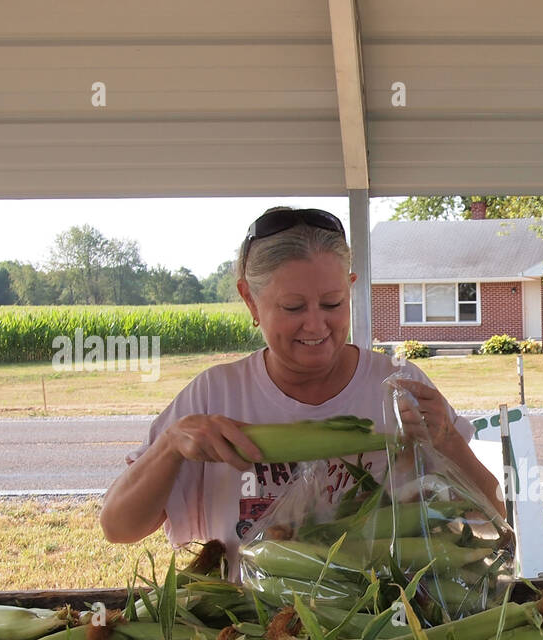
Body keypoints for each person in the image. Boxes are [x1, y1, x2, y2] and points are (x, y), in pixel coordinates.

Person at [99, 206, 502, 575]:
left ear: (352, 287)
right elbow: (119, 527)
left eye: (332, 303)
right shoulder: (215, 394)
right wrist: (170, 446)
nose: (315, 326)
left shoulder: (399, 389)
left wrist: (447, 442)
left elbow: (492, 517)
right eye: (293, 308)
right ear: (250, 300)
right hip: (253, 636)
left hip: (379, 630)